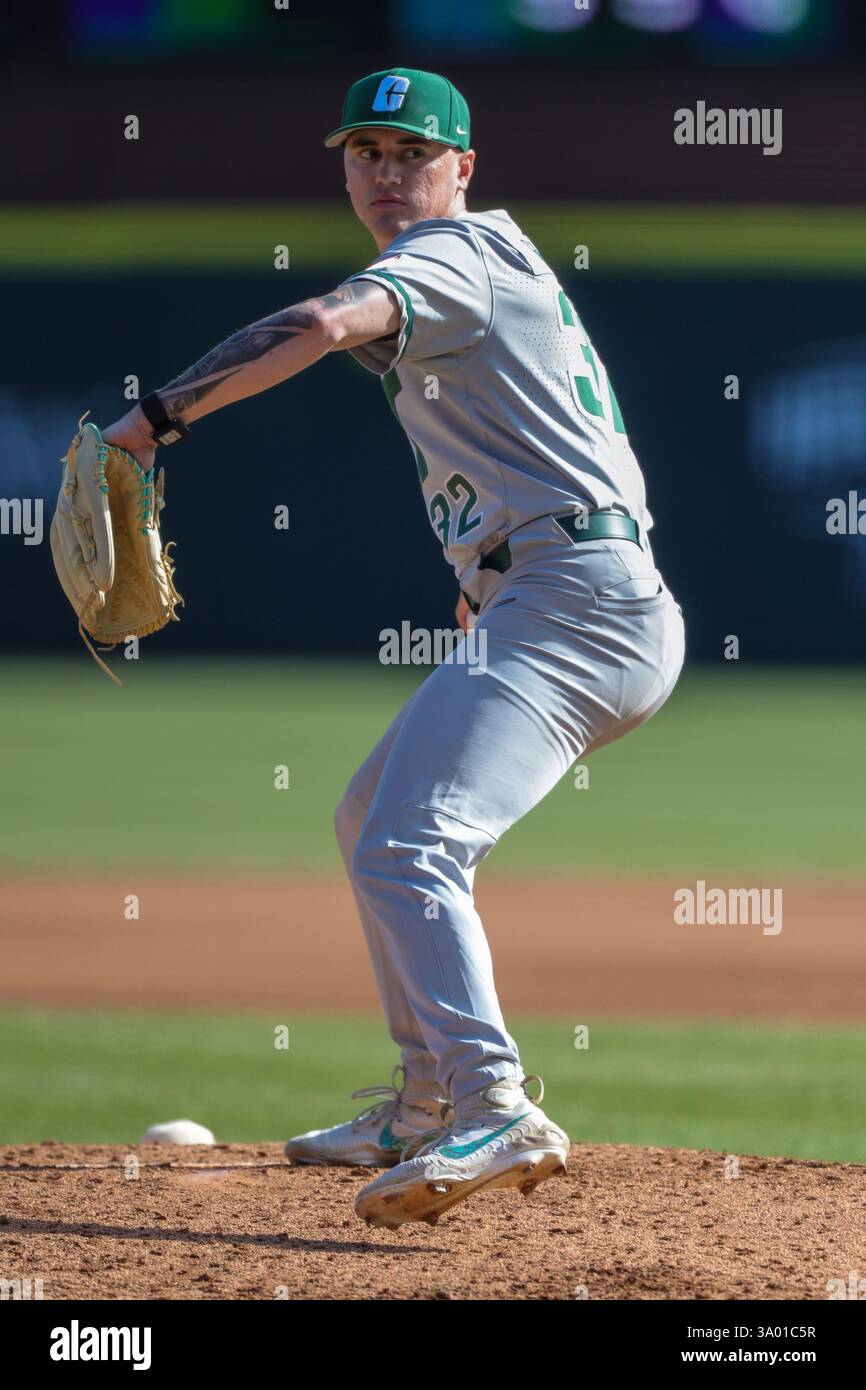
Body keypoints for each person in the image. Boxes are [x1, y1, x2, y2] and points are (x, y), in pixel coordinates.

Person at [103, 68, 685, 1231]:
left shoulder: (448, 257)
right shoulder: (484, 265)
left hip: (576, 600)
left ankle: (492, 1098)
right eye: (362, 151)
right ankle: (423, 1099)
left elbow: (318, 325)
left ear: (461, 169)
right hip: (558, 591)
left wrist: (152, 418)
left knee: (412, 841)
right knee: (368, 817)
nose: (382, 173)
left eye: (409, 152)